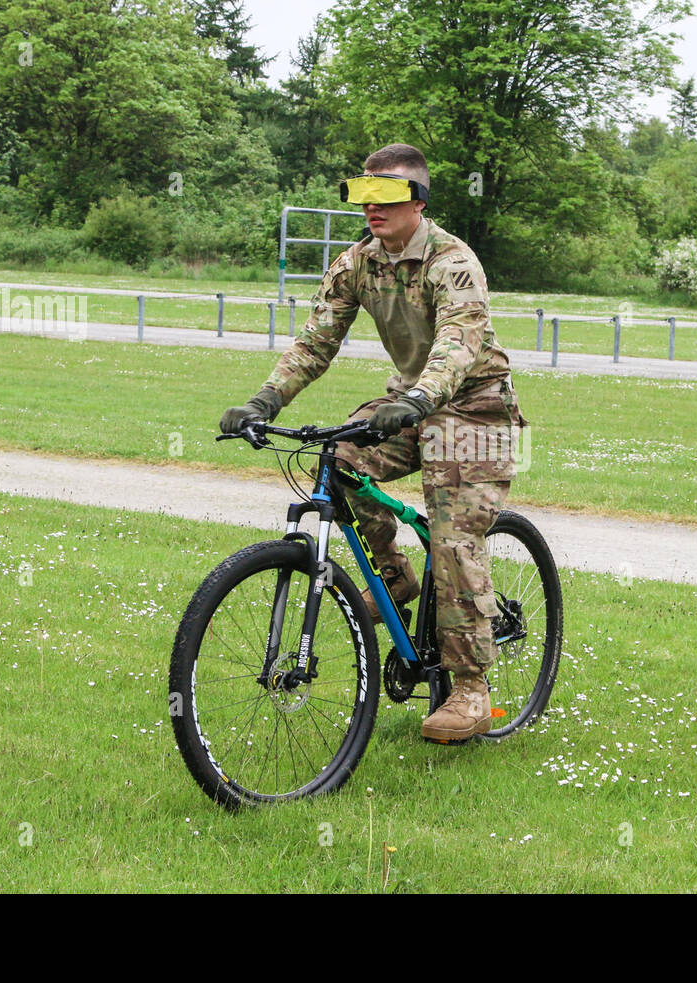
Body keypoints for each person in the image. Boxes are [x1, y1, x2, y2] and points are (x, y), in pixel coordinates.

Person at [220, 143, 525, 743]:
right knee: (339, 459)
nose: (370, 209)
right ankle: (392, 575)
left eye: (384, 196)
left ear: (417, 200)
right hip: (410, 402)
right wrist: (264, 402)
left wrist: (417, 399)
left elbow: (459, 345)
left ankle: (470, 688)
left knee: (454, 532)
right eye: (362, 194)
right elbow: (316, 343)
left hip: (476, 406)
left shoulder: (453, 261)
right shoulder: (357, 261)